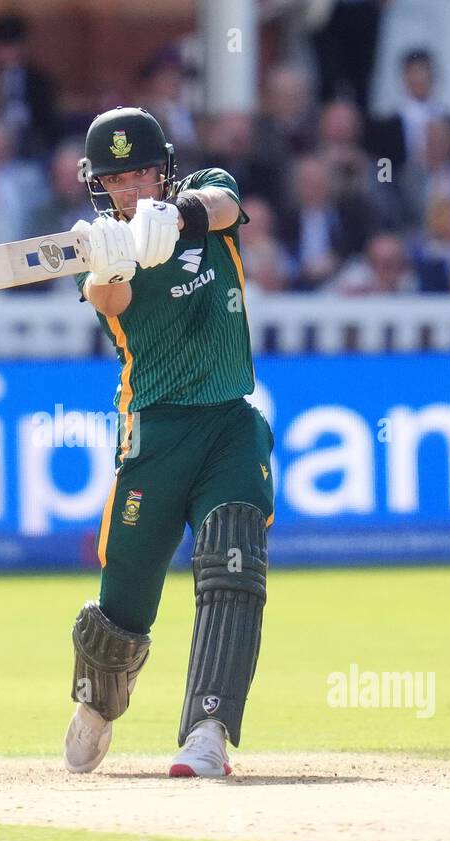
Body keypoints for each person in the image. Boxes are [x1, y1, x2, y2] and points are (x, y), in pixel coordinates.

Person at [63, 107, 273, 778]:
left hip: (230, 423)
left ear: (167, 167)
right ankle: (98, 706)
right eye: (117, 178)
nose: (132, 188)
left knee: (233, 558)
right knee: (121, 609)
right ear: (100, 185)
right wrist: (115, 262)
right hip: (155, 434)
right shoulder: (98, 242)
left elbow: (225, 202)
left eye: (144, 171)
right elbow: (106, 299)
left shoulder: (201, 195)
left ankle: (207, 730)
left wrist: (177, 216)